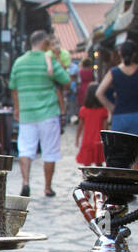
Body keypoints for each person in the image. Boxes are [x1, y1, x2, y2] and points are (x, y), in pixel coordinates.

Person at [9, 29, 69, 197]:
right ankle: (47, 187)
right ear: (44, 43)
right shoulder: (48, 60)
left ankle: (26, 182)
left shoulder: (19, 62)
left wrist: (17, 107)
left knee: (25, 149)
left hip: (26, 113)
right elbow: (66, 80)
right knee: (50, 151)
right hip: (48, 112)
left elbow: (13, 87)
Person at [95, 40, 138, 142]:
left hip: (119, 117)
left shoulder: (113, 72)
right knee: (135, 153)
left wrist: (111, 108)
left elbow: (99, 93)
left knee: (119, 152)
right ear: (134, 54)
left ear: (119, 53)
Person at [76, 83, 108, 166]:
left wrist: (77, 138)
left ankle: (86, 179)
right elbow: (105, 127)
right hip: (99, 141)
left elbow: (80, 126)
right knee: (99, 165)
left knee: (86, 166)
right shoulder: (103, 110)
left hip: (87, 141)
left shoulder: (83, 110)